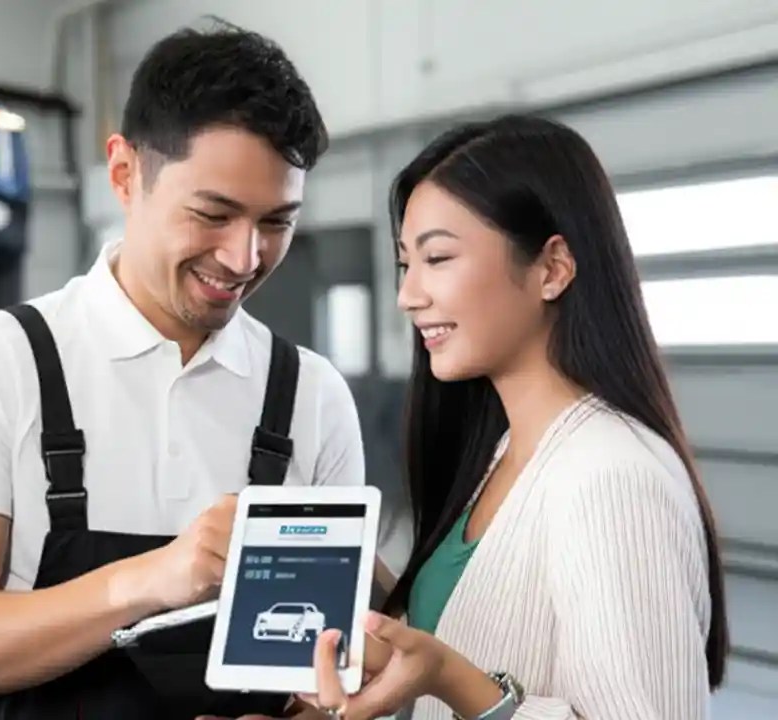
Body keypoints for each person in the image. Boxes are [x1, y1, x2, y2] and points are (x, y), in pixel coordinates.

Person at [0, 21, 368, 720]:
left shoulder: (311, 397)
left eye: (276, 223)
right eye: (213, 213)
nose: (243, 258)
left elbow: (331, 670)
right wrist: (154, 578)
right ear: (123, 173)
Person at [291, 114, 730, 720]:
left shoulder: (612, 474)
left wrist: (452, 678)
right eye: (405, 264)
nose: (408, 295)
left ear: (552, 268)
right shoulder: (502, 454)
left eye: (438, 257)